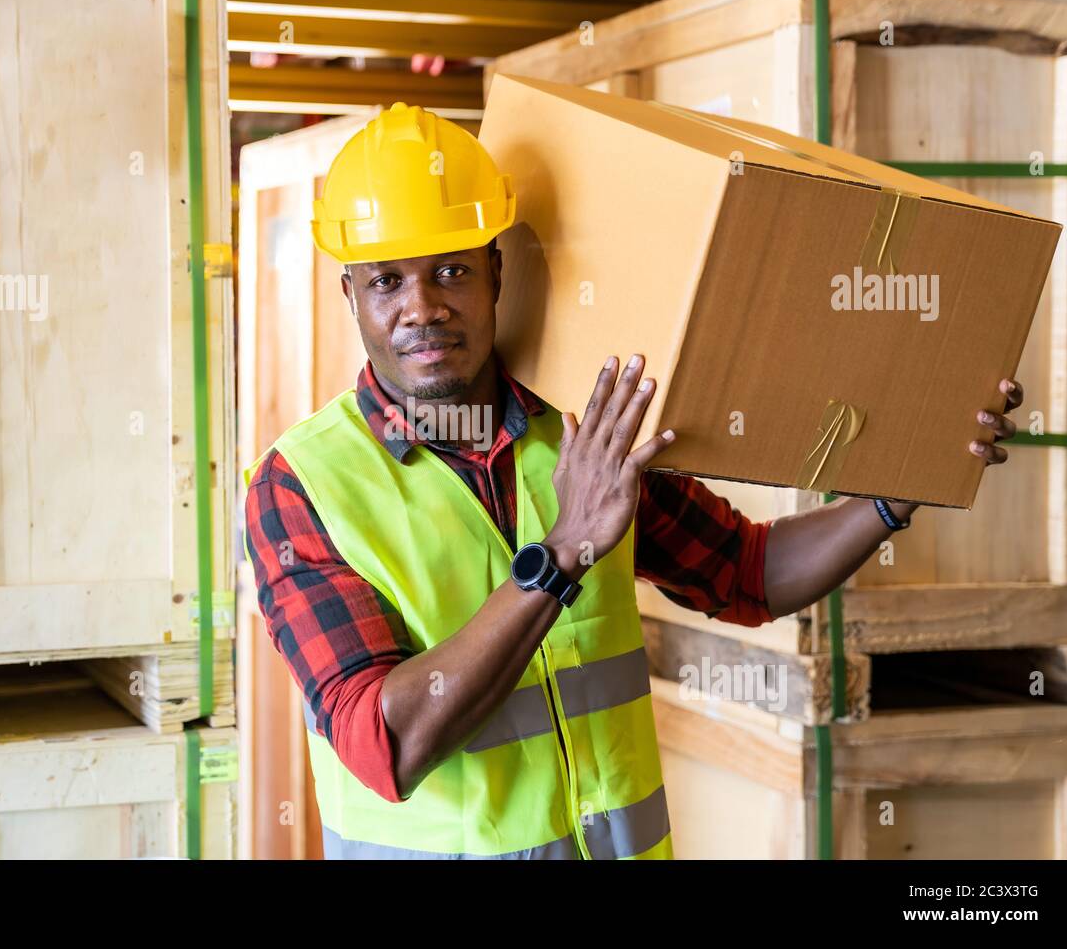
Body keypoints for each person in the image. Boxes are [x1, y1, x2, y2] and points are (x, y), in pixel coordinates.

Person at [243, 102, 1022, 860]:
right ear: (350, 295)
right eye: (386, 282)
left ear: (495, 274)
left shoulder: (584, 433)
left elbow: (749, 574)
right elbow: (387, 745)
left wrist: (892, 495)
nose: (423, 308)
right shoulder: (302, 486)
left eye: (451, 270)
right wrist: (566, 549)